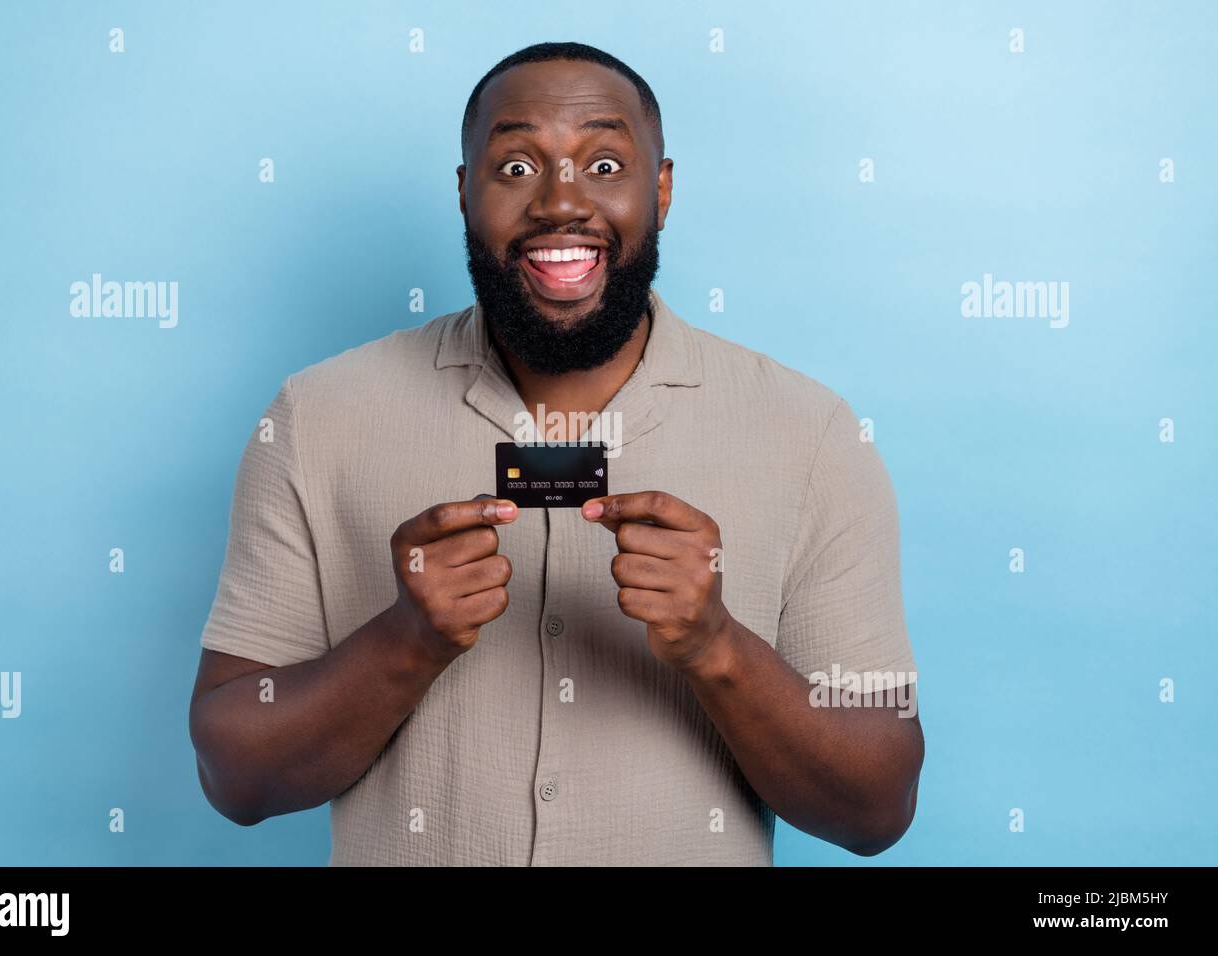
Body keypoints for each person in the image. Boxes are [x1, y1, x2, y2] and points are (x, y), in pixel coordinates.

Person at [189, 41, 923, 866]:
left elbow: (878, 806)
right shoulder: (316, 417)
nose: (559, 202)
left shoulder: (810, 433)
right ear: (464, 193)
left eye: (605, 163)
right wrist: (404, 641)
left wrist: (718, 648)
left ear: (663, 189)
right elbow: (235, 777)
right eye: (514, 168)